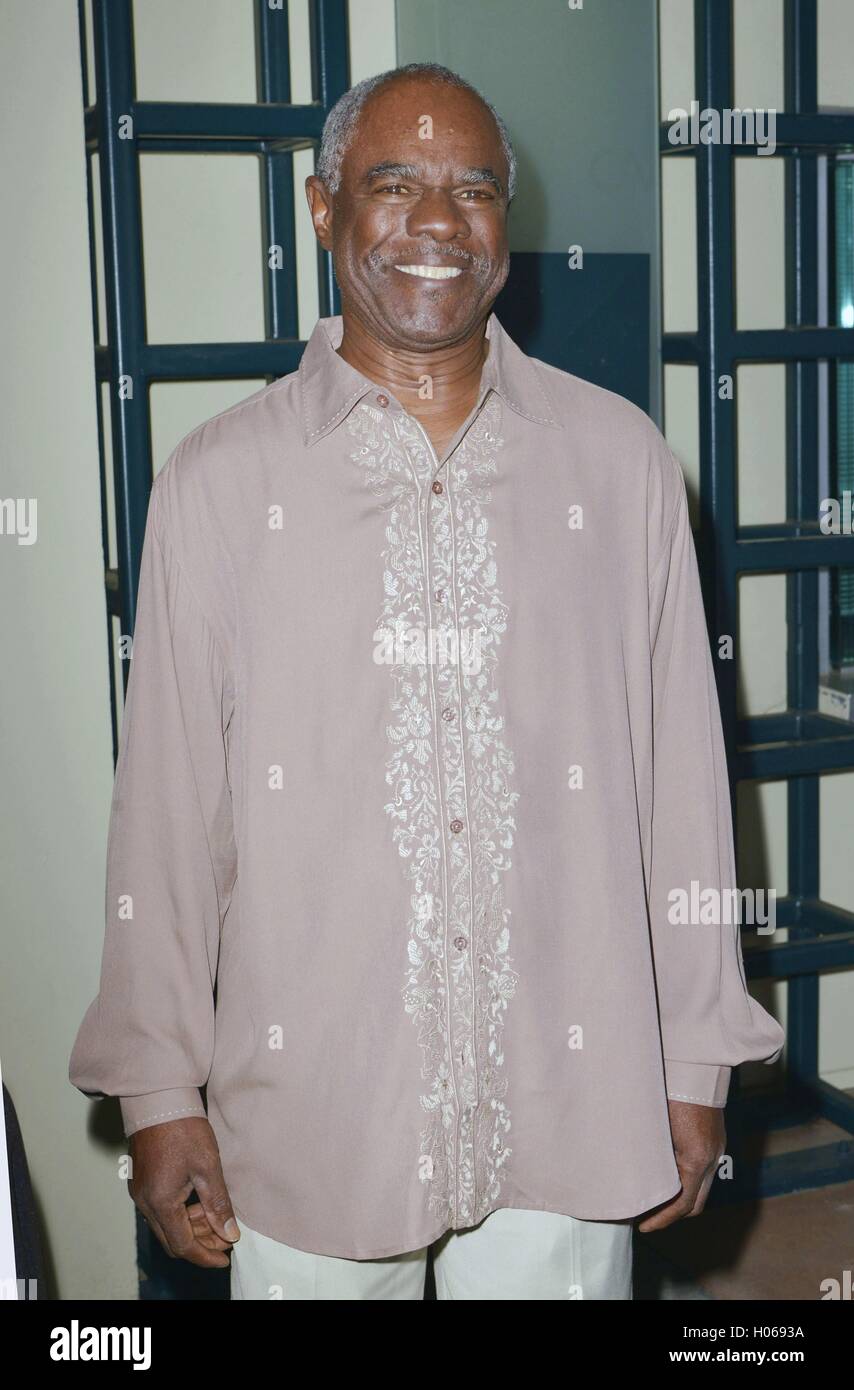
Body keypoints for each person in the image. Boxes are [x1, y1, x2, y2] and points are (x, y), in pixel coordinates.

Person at [69, 62, 784, 1301]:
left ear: (510, 220)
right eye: (390, 183)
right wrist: (157, 1090)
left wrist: (694, 1063)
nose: (435, 222)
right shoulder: (218, 486)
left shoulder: (620, 470)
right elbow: (170, 821)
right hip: (309, 1121)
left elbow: (684, 800)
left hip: (566, 1094)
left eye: (472, 188)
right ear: (320, 207)